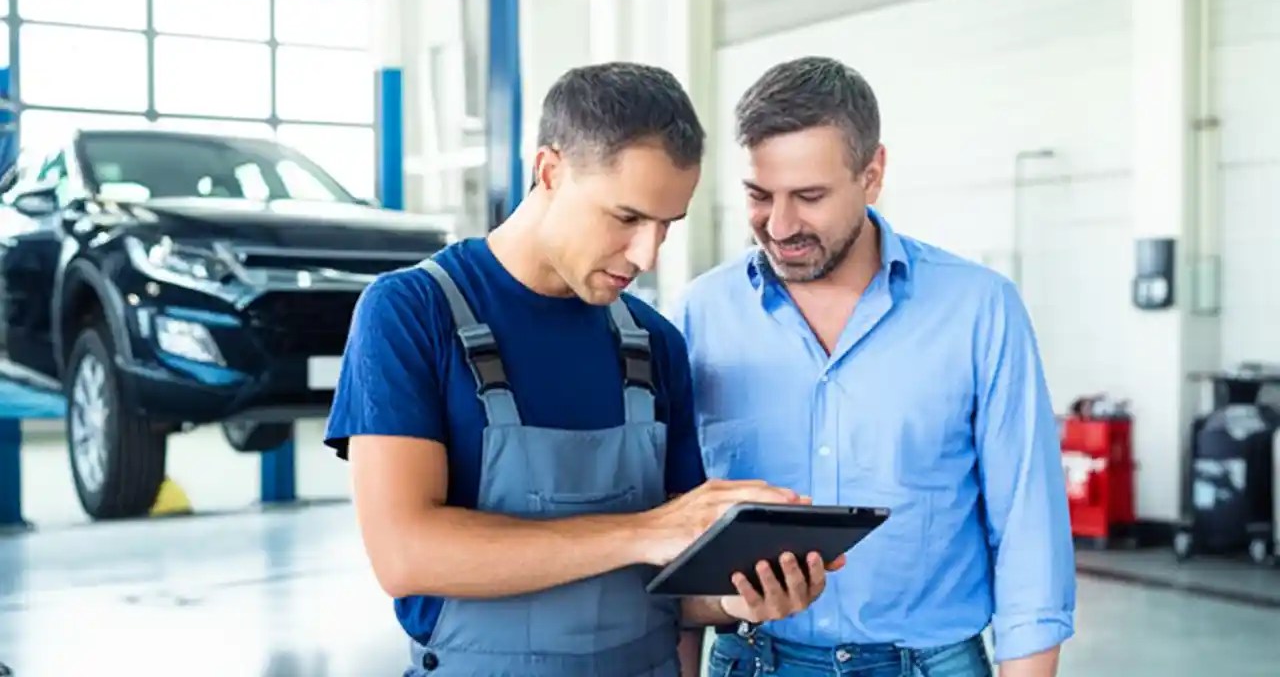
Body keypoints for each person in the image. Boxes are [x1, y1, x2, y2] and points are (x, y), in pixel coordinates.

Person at [323, 62, 843, 677]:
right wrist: (643, 532)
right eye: (626, 218)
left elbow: (670, 587)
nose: (646, 255)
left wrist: (736, 598)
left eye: (665, 226)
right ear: (549, 171)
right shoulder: (411, 312)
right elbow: (406, 553)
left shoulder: (655, 344)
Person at [674, 56, 1076, 676]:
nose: (779, 226)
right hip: (755, 659)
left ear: (873, 173)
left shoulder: (978, 309)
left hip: (929, 663)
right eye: (760, 196)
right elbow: (677, 528)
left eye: (809, 197)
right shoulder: (702, 314)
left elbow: (1030, 534)